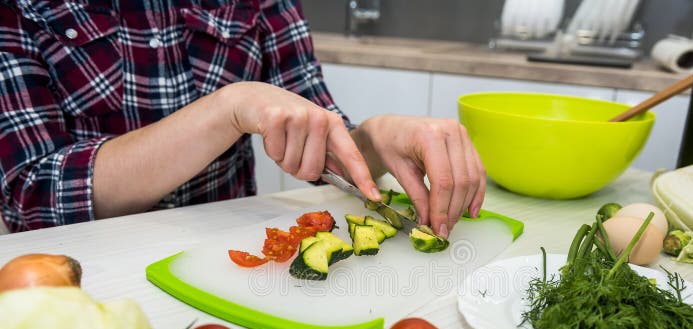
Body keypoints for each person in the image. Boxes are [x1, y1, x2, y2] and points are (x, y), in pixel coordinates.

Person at [0, 0, 486, 235]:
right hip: (80, 276)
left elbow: (322, 149)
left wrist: (378, 138)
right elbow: (32, 196)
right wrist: (226, 110)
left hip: (233, 260)